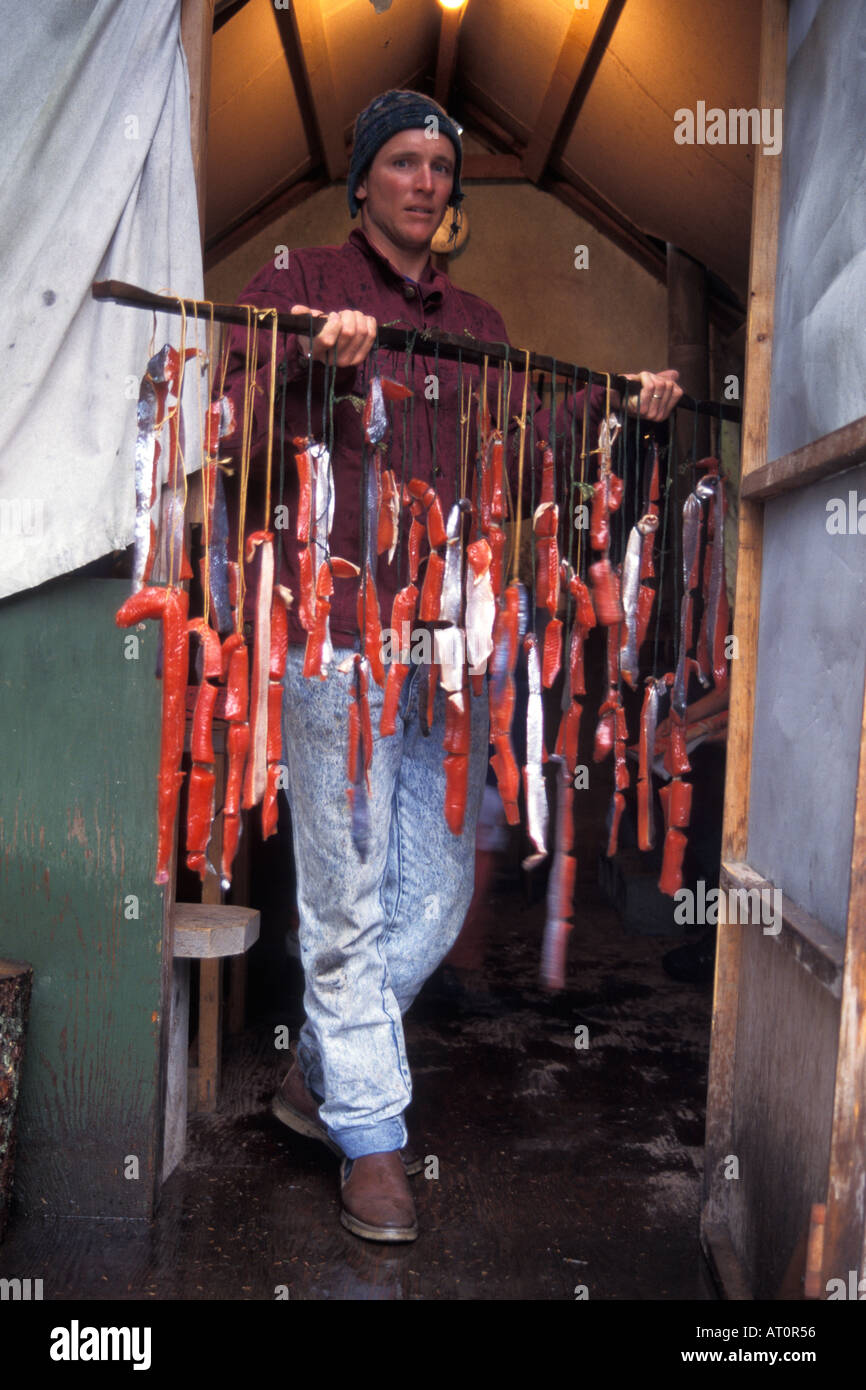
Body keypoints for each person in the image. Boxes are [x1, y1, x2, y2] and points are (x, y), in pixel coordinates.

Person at [223, 89, 682, 1243]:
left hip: (444, 646)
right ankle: (372, 1138)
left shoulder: (474, 321)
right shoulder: (299, 289)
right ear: (363, 179)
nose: (426, 183)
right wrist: (307, 369)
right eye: (404, 162)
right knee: (342, 894)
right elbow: (231, 408)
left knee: (436, 888)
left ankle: (313, 1073)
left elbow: (524, 439)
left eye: (441, 166)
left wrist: (617, 408)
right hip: (334, 634)